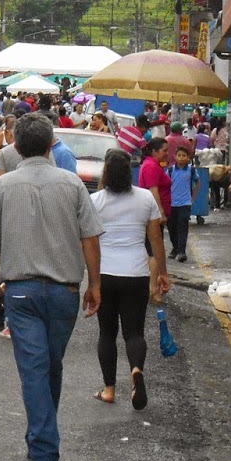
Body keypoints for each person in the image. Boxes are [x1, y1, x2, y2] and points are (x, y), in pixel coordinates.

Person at [0, 114, 103, 461]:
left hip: (21, 293)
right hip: (65, 291)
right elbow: (90, 238)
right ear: (50, 146)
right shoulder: (73, 184)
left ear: (15, 147)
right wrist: (95, 284)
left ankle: (43, 447)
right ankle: (41, 440)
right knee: (50, 365)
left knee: (36, 368)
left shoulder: (4, 186)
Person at [91, 149, 170, 409]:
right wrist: (162, 273)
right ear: (130, 172)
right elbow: (156, 239)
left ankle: (109, 389)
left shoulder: (95, 201)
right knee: (134, 332)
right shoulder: (146, 198)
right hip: (136, 273)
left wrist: (90, 280)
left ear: (105, 173)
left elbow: (89, 242)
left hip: (105, 273)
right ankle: (136, 370)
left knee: (107, 333)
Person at [165, 144, 197, 262]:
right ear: (175, 157)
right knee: (171, 227)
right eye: (179, 155)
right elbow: (165, 185)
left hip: (185, 203)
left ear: (188, 158)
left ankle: (182, 252)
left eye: (184, 155)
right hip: (172, 204)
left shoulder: (191, 170)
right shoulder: (170, 170)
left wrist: (192, 198)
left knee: (182, 227)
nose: (182, 158)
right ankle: (175, 248)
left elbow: (197, 183)